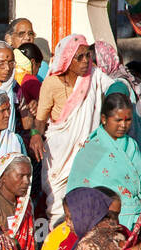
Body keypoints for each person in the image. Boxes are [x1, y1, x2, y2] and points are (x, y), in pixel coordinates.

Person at [35, 34, 109, 219]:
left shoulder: (94, 76)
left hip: (87, 152)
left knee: (87, 199)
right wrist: (36, 135)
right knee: (58, 201)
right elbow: (40, 118)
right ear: (67, 60)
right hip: (58, 151)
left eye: (88, 56)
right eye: (80, 57)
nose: (86, 61)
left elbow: (115, 87)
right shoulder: (51, 83)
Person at [65, 91, 141, 230]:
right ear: (104, 119)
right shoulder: (92, 150)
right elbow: (77, 190)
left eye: (128, 120)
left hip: (137, 219)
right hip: (106, 222)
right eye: (118, 120)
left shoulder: (132, 145)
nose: (124, 125)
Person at [41, 186, 110, 250]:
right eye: (65, 217)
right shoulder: (66, 237)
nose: (67, 223)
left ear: (86, 215)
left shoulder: (103, 244)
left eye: (71, 218)